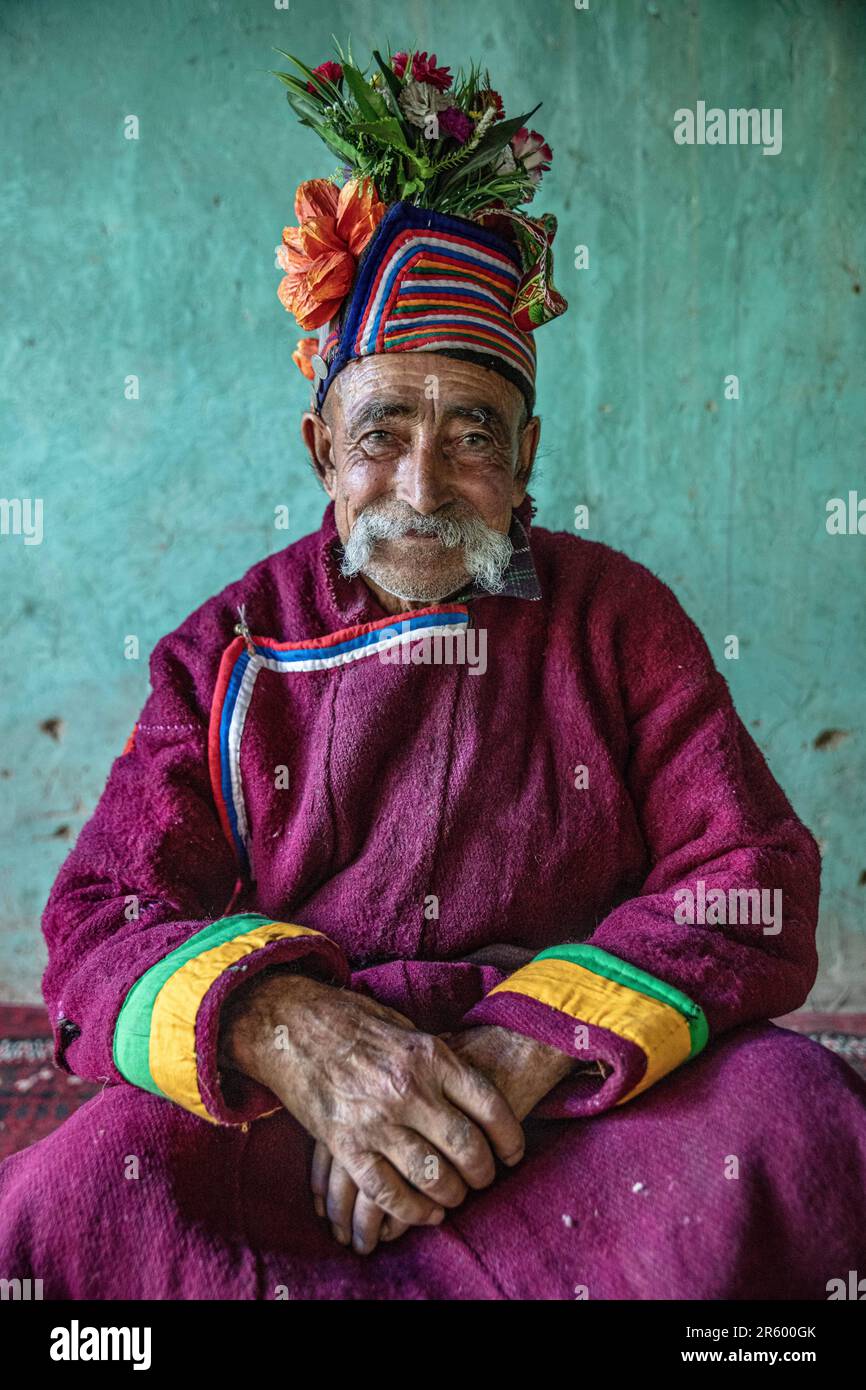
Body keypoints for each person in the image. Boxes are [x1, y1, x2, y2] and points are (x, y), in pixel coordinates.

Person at [1, 44, 864, 1300]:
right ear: (320, 452)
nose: (420, 487)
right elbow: (97, 920)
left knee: (797, 1117)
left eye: (470, 434)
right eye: (380, 433)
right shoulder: (228, 651)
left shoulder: (617, 618)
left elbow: (751, 877)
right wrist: (288, 1032)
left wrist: (523, 1046)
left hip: (574, 1102)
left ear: (524, 457)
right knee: (76, 1197)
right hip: (298, 1121)